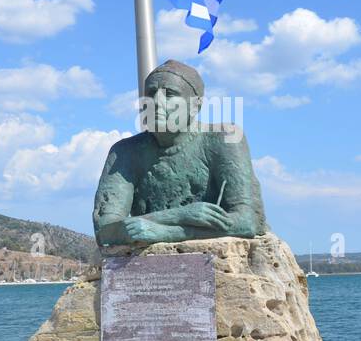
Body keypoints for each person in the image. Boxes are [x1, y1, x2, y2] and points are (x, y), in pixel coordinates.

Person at [93, 59, 267, 246]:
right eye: (151, 93)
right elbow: (106, 230)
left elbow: (248, 222)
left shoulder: (224, 138)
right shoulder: (124, 152)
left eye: (169, 94)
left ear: (195, 106)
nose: (156, 102)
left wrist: (165, 232)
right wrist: (178, 215)